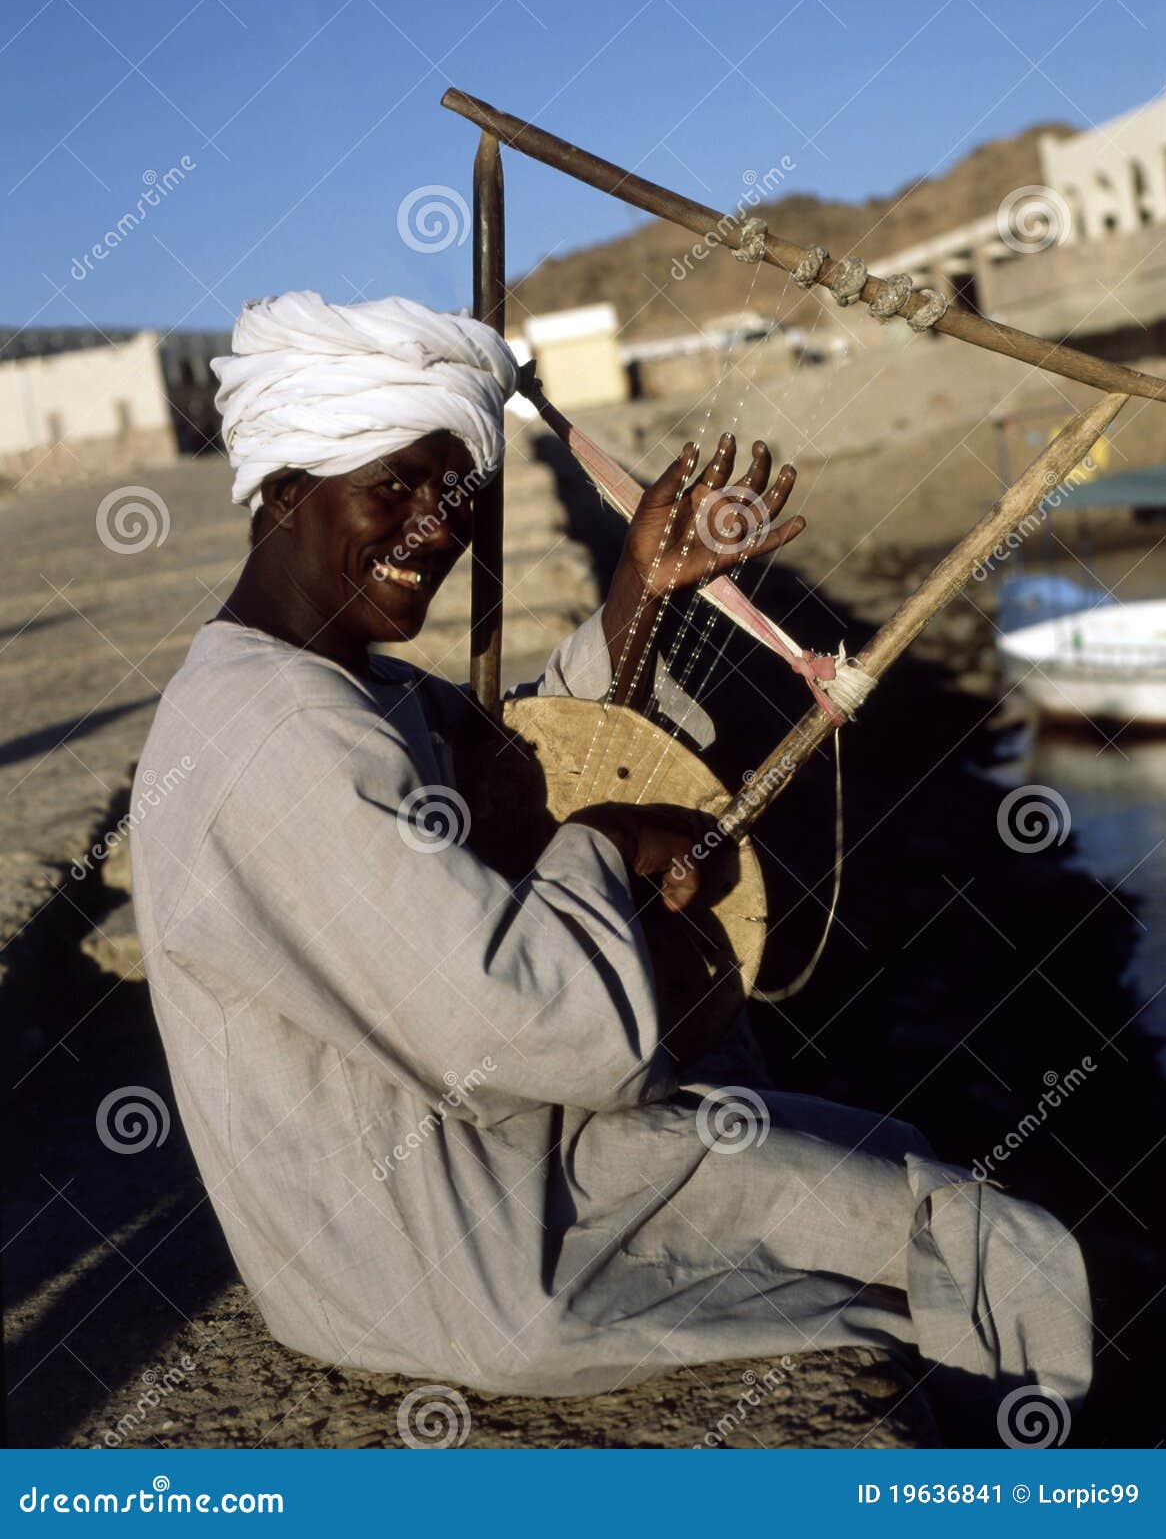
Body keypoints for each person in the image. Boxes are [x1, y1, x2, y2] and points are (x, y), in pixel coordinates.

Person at [131, 290, 1092, 1415]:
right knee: (945, 1240)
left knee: (896, 1175)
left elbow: (517, 776)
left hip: (484, 1174)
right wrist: (605, 842)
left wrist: (640, 590)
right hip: (458, 1260)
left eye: (452, 495)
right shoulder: (284, 737)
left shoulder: (318, 688)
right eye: (391, 485)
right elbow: (532, 1020)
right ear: (287, 486)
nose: (433, 529)